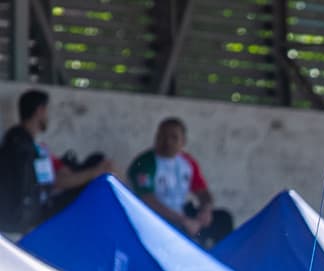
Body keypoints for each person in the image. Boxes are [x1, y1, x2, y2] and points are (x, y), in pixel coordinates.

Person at [0, 89, 113, 232]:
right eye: (47, 111)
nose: (48, 116)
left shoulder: (18, 142)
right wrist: (95, 172)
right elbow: (55, 182)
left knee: (96, 159)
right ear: (40, 111)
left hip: (22, 215)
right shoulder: (27, 149)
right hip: (28, 218)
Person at [127, 117, 232, 246]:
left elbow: (203, 192)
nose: (168, 142)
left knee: (223, 218)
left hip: (182, 213)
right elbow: (147, 199)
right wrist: (183, 220)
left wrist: (206, 209)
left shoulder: (187, 162)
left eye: (174, 137)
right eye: (163, 136)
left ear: (183, 141)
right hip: (156, 217)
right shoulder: (145, 163)